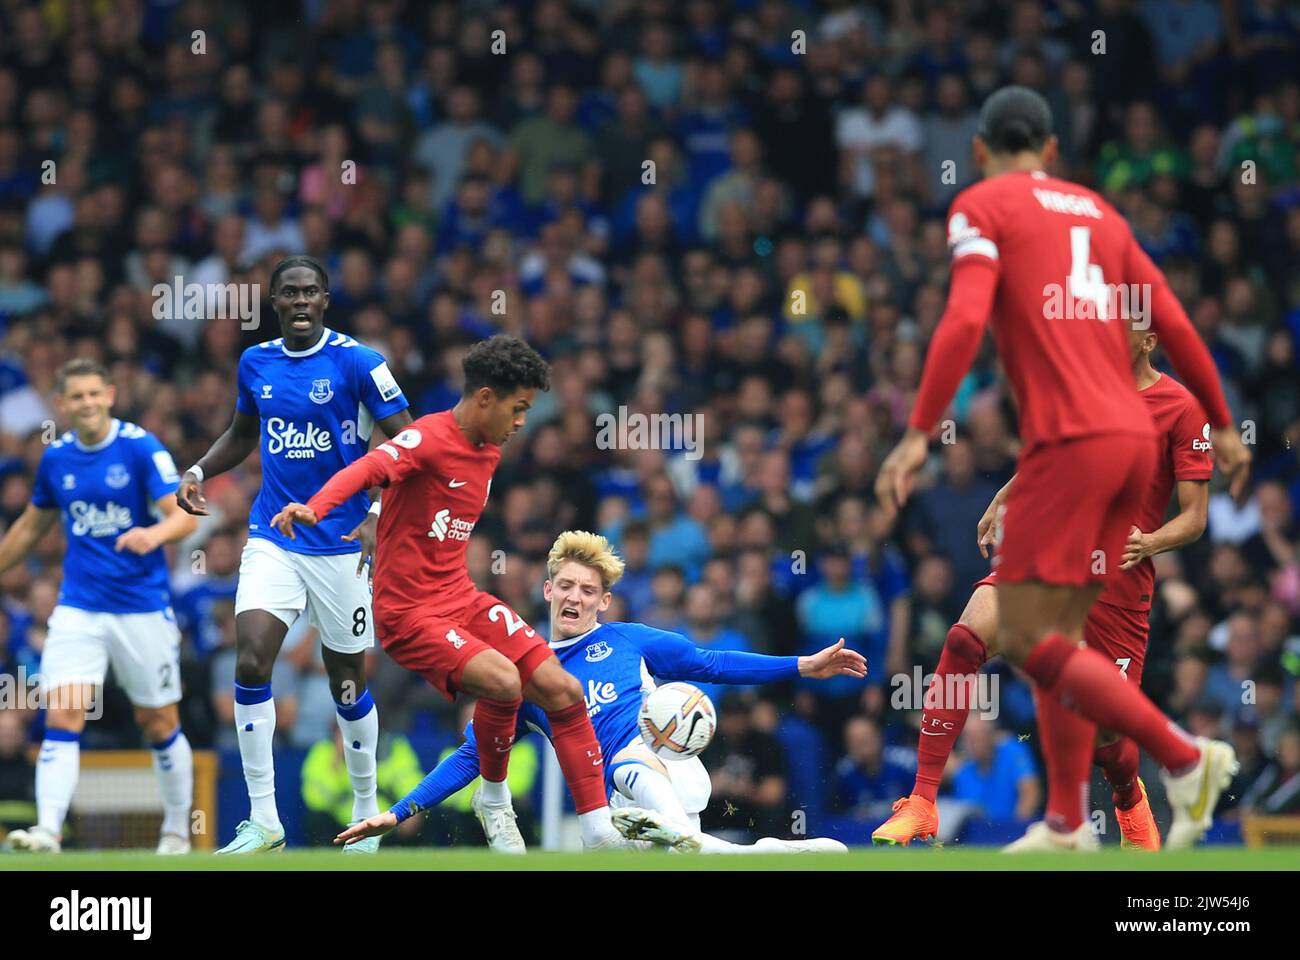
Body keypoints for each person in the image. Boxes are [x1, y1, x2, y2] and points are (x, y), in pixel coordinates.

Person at [875, 85, 1250, 851]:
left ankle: (1177, 762)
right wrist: (1221, 414)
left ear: (978, 151)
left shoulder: (983, 207)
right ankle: (976, 808)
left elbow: (964, 317)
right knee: (993, 636)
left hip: (1084, 451)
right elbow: (1176, 313)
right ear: (1052, 150)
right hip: (1087, 446)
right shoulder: (1099, 214)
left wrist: (919, 433)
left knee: (1041, 653)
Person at [271, 337, 643, 851]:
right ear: (486, 398)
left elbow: (410, 499)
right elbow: (372, 469)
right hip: (408, 613)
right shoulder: (427, 437)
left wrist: (378, 518)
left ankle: (599, 830)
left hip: (461, 598)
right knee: (504, 681)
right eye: (518, 409)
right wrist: (317, 505)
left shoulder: (488, 453)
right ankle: (492, 797)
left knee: (563, 691)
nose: (521, 423)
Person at [876, 322, 1216, 849]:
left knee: (1106, 737)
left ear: (1147, 341)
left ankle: (1129, 800)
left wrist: (1149, 542)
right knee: (965, 639)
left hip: (1118, 581)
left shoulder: (1180, 407)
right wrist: (1003, 499)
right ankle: (922, 801)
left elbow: (1194, 518)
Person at [333, 530, 864, 854]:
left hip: (669, 769)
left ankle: (741, 847)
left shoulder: (628, 639)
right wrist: (399, 812)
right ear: (547, 591)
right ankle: (775, 852)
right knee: (683, 846)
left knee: (685, 824)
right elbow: (474, 754)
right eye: (565, 585)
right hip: (615, 801)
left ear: (604, 602)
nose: (574, 597)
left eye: (588, 591)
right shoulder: (524, 674)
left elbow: (713, 663)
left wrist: (802, 664)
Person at [176, 256, 414, 854]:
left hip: (340, 546)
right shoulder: (256, 362)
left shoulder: (360, 362)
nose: (301, 300)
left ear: (326, 299)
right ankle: (265, 821)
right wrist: (200, 469)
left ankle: (365, 810)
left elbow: (409, 444)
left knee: (347, 684)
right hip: (273, 536)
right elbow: (242, 433)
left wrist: (375, 518)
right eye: (290, 293)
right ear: (276, 303)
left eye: (311, 290)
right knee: (252, 659)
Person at [0, 359, 197, 854]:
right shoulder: (57, 459)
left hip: (142, 608)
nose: (86, 403)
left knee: (159, 722)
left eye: (94, 394)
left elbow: (185, 517)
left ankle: (176, 831)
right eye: (76, 397)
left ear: (109, 395)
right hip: (78, 607)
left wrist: (153, 533)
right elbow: (30, 526)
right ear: (61, 405)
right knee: (63, 713)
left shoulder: (140, 449)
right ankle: (48, 831)